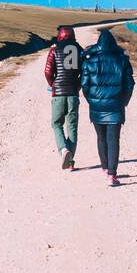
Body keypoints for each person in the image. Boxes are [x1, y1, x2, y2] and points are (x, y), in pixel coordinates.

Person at [80, 27, 135, 187]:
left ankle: (104, 168)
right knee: (113, 139)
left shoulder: (89, 62)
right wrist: (124, 101)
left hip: (96, 106)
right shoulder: (123, 61)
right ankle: (112, 174)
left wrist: (92, 100)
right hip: (116, 106)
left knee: (101, 138)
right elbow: (129, 85)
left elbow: (84, 86)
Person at [44, 26, 84, 170]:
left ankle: (63, 150)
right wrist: (77, 86)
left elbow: (48, 72)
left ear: (60, 36)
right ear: (73, 36)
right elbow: (84, 73)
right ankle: (70, 162)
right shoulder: (79, 50)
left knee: (56, 124)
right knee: (72, 127)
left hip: (58, 94)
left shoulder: (54, 51)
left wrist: (53, 84)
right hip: (73, 93)